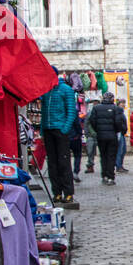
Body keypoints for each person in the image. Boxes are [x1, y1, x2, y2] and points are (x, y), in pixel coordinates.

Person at [39, 68, 76, 203]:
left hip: (60, 130)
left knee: (63, 162)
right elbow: (43, 112)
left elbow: (71, 111)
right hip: (48, 130)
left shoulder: (66, 89)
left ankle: (68, 192)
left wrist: (65, 129)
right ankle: (57, 192)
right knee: (52, 163)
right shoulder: (46, 90)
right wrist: (42, 130)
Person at [86, 91, 127, 185]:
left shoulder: (96, 108)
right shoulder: (116, 108)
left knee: (103, 156)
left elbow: (92, 120)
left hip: (101, 136)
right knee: (111, 156)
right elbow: (118, 122)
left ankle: (104, 175)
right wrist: (117, 130)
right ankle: (110, 177)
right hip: (112, 136)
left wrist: (98, 129)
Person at [69, 94, 85, 185]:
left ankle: (67, 173)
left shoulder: (62, 110)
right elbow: (77, 124)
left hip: (65, 137)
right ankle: (75, 172)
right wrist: (79, 133)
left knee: (66, 156)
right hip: (75, 137)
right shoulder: (74, 111)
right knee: (77, 155)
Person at [115, 99, 130, 173]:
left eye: (124, 103)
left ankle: (120, 165)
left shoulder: (121, 112)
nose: (123, 105)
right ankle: (118, 166)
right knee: (120, 150)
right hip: (119, 133)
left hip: (122, 133)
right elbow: (118, 122)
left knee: (123, 150)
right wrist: (122, 129)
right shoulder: (118, 112)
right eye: (122, 103)